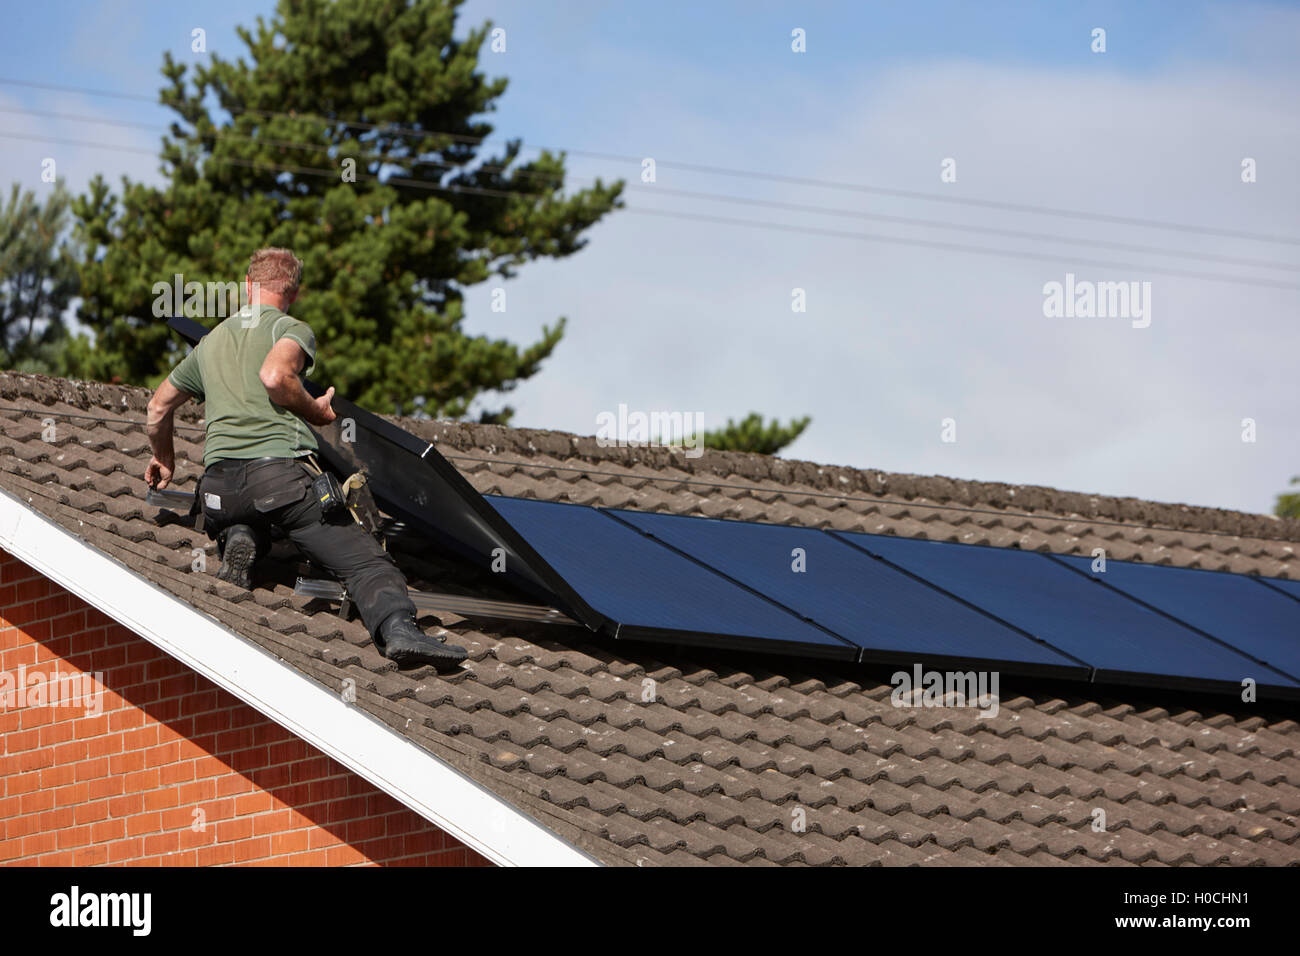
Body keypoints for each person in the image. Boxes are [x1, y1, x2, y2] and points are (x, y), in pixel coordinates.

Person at [144, 247, 467, 669]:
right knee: (367, 562)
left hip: (218, 492)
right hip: (278, 480)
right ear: (293, 293)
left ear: (246, 286)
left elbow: (156, 409)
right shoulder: (290, 329)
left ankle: (241, 536)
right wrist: (315, 410)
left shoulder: (211, 342)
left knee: (256, 514)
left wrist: (164, 460)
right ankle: (399, 630)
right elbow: (275, 376)